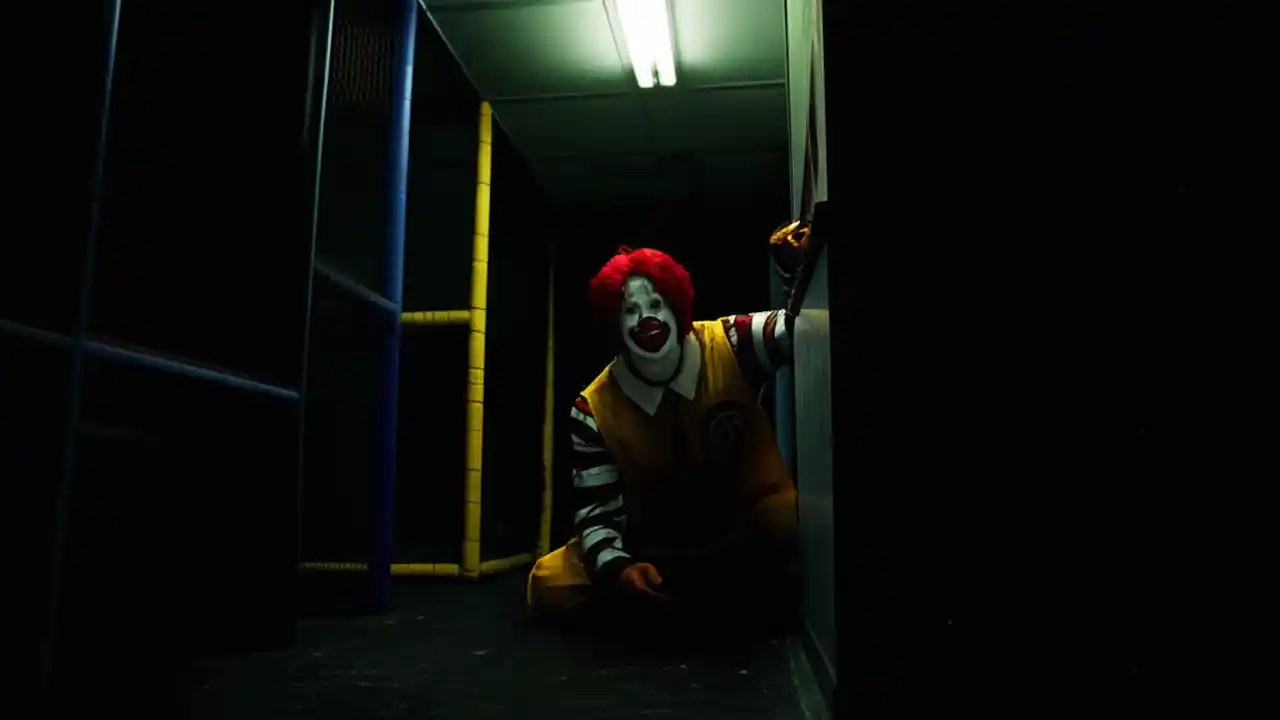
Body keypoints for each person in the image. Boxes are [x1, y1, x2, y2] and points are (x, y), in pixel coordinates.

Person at [527, 237, 808, 633]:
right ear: (615, 324)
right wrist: (620, 569)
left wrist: (798, 270)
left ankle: (699, 600)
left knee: (786, 518)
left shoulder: (732, 342)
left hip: (738, 532)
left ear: (677, 306)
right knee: (550, 582)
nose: (646, 318)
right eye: (630, 310)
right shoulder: (592, 408)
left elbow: (799, 329)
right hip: (651, 548)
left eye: (656, 304)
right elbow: (597, 514)